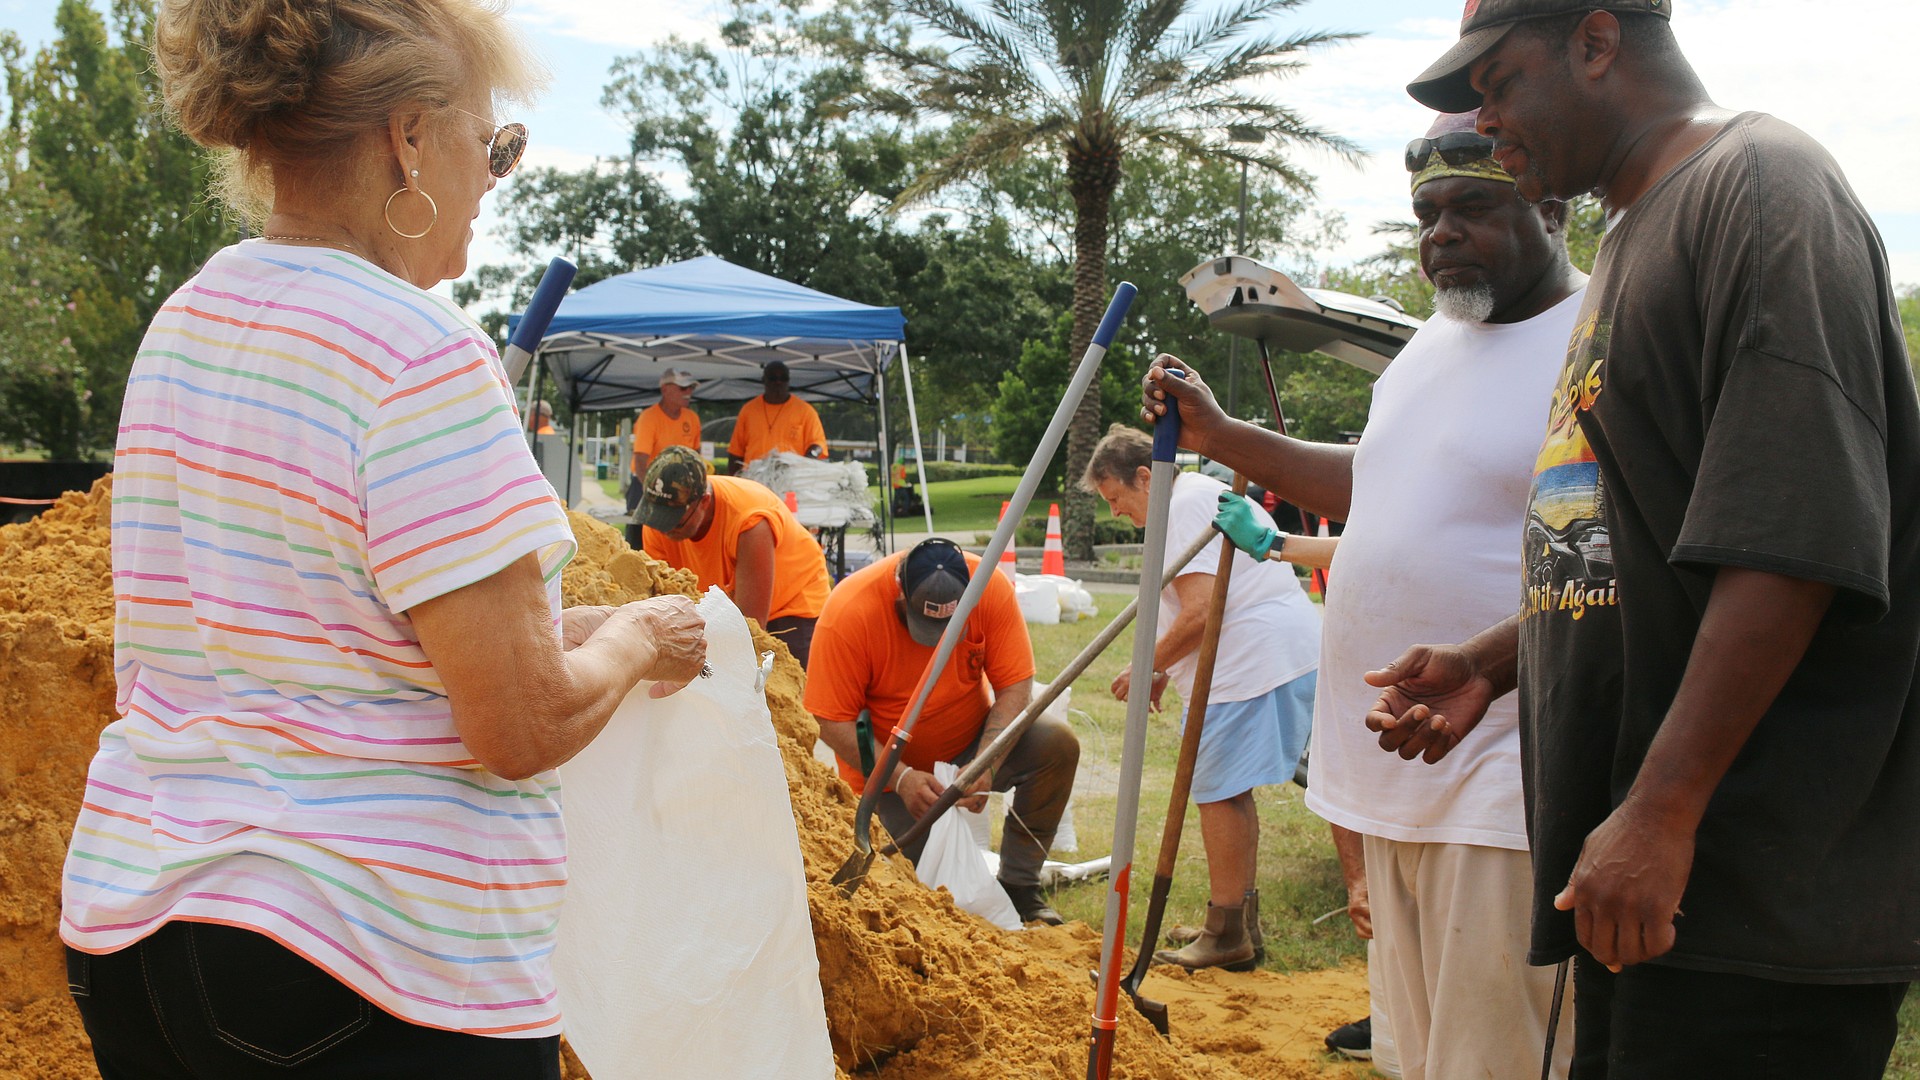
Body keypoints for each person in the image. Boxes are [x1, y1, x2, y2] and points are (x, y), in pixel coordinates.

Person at [59, 3, 708, 1077]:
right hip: (365, 964)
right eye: (493, 146)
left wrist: (579, 626)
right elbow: (520, 723)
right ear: (410, 137)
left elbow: (329, 634)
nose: (494, 179)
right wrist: (636, 639)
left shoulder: (185, 323)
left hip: (141, 935)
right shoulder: (419, 354)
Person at [1376, 4, 1920, 1076]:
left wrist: (1661, 812)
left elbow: (1790, 540)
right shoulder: (1635, 235)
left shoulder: (1763, 192)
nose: (1485, 121)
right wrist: (1493, 664)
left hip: (1748, 893)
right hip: (1643, 890)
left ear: (1594, 40)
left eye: (1497, 82)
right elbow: (1636, 546)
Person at [1143, 107, 1587, 1080]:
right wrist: (1223, 436)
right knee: (1418, 1062)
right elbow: (1367, 479)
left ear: (1549, 202)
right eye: (1427, 214)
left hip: (1507, 778)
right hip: (1397, 777)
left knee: (1499, 1063)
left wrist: (1486, 666)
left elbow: (1623, 559)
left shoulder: (1593, 340)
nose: (1441, 236)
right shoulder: (1432, 346)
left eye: (1471, 206)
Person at [1080, 424, 1320, 970]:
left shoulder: (1185, 504)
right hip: (1258, 657)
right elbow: (1199, 605)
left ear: (1146, 476)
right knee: (1227, 791)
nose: (1115, 513)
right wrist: (1165, 669)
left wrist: (1150, 665)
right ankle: (1237, 923)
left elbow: (1202, 611)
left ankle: (1227, 930)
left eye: (1115, 498)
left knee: (1219, 791)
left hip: (1250, 663)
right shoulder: (1190, 501)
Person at [805, 538, 1077, 925]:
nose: (935, 639)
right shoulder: (850, 611)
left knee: (1055, 744)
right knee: (920, 885)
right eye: (924, 625)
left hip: (969, 741)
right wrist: (900, 780)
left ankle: (1020, 887)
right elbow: (832, 720)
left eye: (946, 627)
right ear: (899, 588)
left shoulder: (990, 588)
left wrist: (988, 762)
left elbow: (1017, 686)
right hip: (888, 770)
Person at [635, 445, 830, 666]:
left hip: (790, 601)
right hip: (726, 595)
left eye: (675, 522)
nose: (665, 529)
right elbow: (663, 598)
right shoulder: (658, 520)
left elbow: (751, 623)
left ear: (704, 502)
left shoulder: (750, 521)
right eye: (660, 518)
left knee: (771, 676)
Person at [625, 368, 701, 549]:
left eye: (690, 388)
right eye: (683, 388)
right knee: (640, 544)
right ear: (665, 389)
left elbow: (697, 459)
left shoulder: (692, 418)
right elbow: (641, 461)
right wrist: (652, 494)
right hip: (648, 485)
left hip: (680, 490)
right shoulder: (648, 418)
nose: (688, 393)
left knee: (677, 542)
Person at [726, 360, 826, 473]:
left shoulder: (806, 411)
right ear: (763, 380)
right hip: (755, 478)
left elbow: (818, 445)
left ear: (788, 381)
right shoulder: (748, 410)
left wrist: (804, 464)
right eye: (773, 378)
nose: (778, 382)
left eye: (783, 378)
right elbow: (736, 452)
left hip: (790, 478)